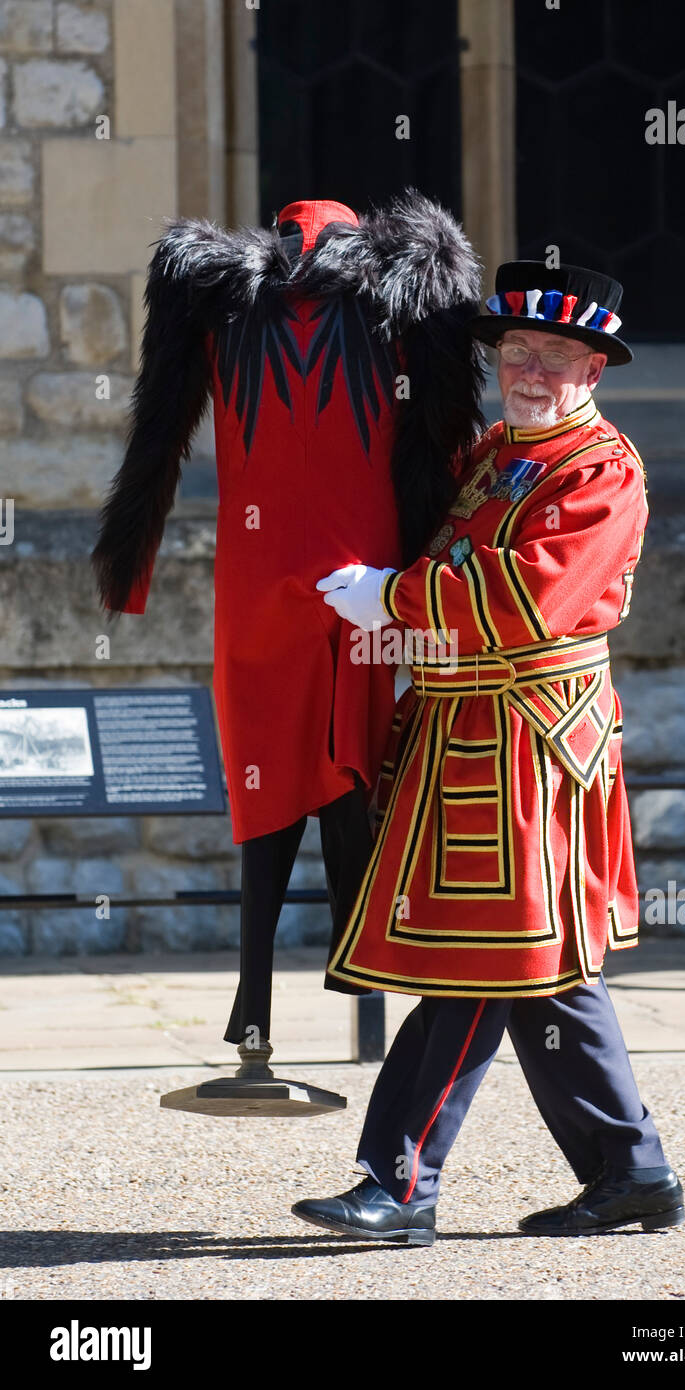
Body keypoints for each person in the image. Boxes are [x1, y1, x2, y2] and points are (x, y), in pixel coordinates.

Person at [294, 260, 684, 1242]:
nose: (532, 367)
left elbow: (528, 598)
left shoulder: (602, 469)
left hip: (530, 745)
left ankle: (398, 1184)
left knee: (483, 959)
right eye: (516, 349)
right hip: (462, 731)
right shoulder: (491, 453)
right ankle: (630, 1171)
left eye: (556, 353)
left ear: (595, 366)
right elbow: (445, 561)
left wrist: (393, 598)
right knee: (549, 970)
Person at [91, 191, 484, 1049]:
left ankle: (256, 997)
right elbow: (442, 433)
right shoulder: (400, 294)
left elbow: (157, 434)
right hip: (365, 570)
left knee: (272, 764)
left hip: (266, 569)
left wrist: (131, 561)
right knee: (351, 759)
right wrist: (439, 566)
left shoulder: (219, 300)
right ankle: (358, 967)